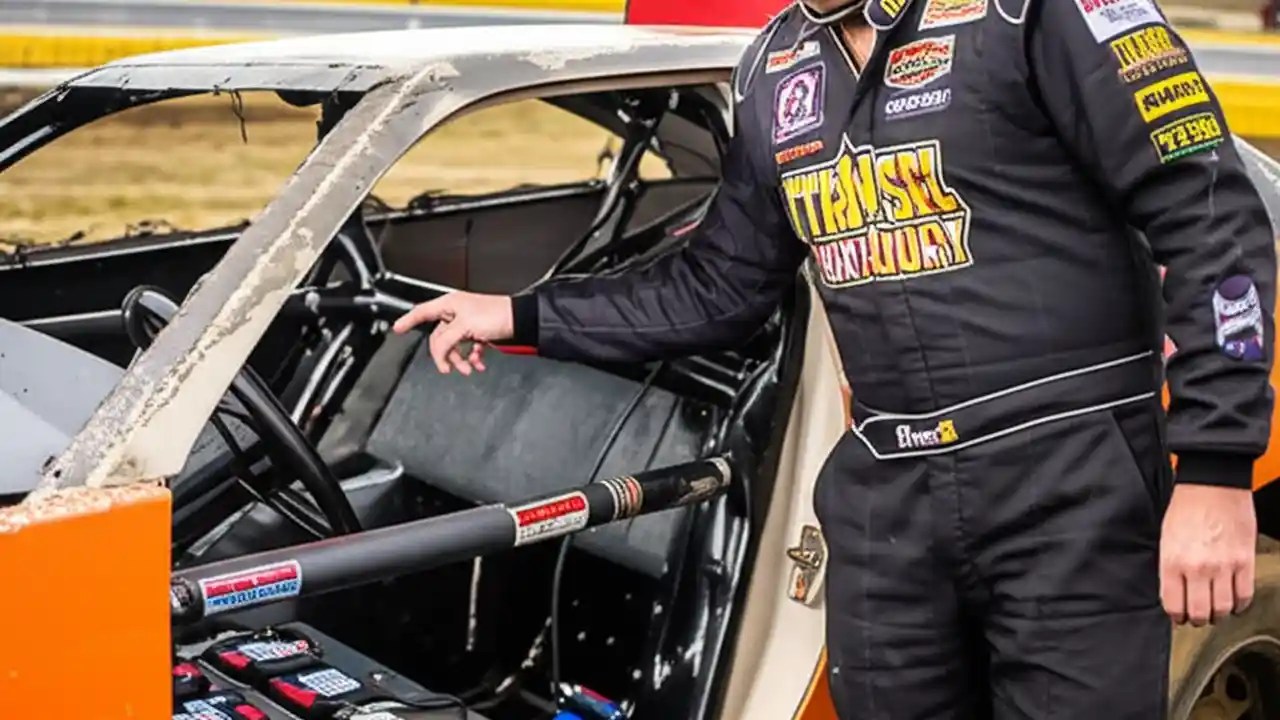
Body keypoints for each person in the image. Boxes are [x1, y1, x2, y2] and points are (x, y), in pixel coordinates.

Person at [392, 0, 1277, 716]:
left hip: (1071, 480)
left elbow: (1213, 221)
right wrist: (519, 313)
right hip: (889, 499)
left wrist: (1214, 471)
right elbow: (716, 290)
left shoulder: (1043, 13)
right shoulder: (777, 65)